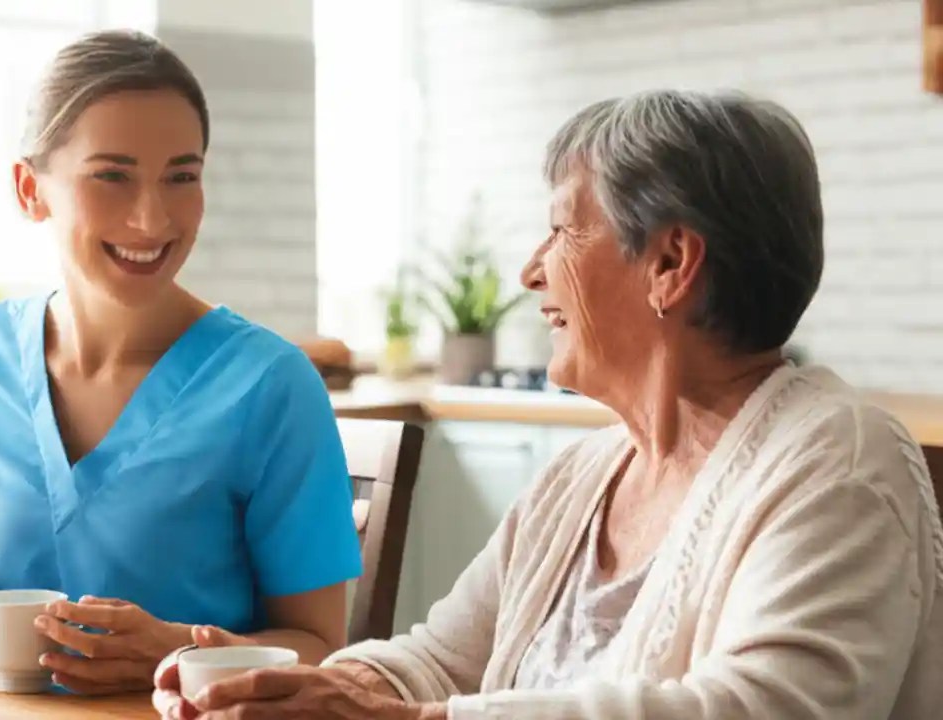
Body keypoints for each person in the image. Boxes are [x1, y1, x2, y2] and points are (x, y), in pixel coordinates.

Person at [154, 89, 943, 719]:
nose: (532, 272)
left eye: (563, 230)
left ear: (670, 263)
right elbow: (441, 661)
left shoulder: (839, 464)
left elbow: (758, 709)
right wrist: (294, 692)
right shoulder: (586, 474)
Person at [0, 29, 362, 696]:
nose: (152, 219)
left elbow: (321, 649)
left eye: (182, 177)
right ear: (30, 190)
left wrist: (177, 655)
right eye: (112, 176)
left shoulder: (271, 386)